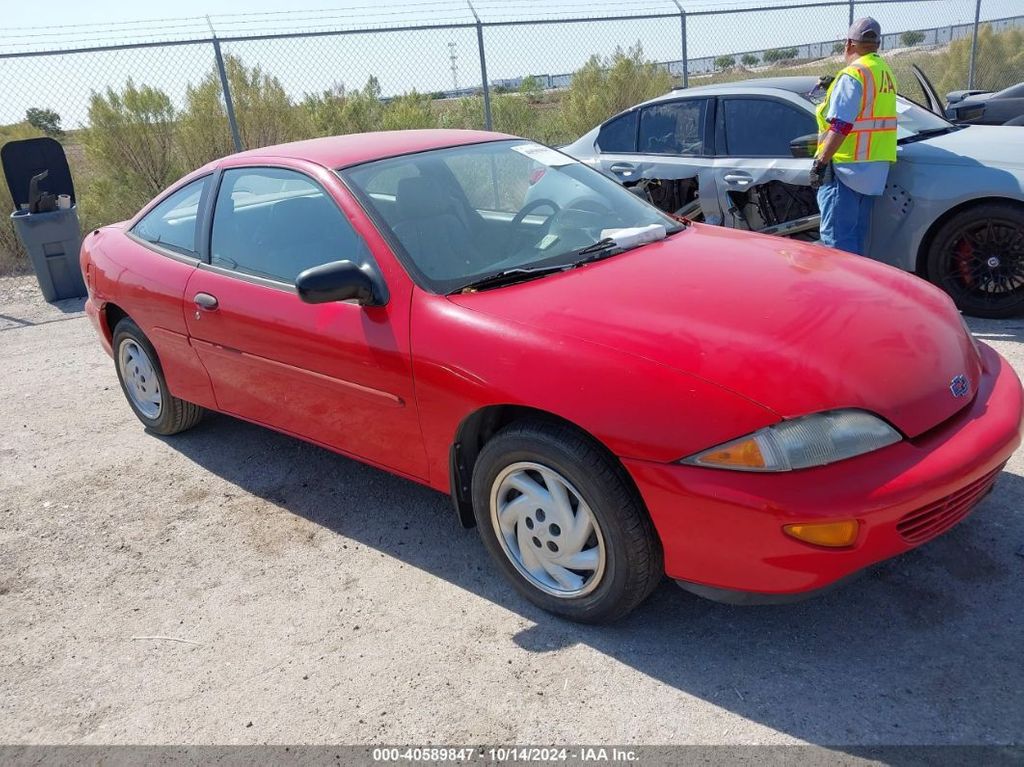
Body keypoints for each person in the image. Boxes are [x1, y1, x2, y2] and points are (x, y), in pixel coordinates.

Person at [810, 17, 898, 256]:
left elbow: (840, 125)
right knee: (855, 241)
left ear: (849, 44)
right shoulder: (883, 72)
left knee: (837, 244)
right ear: (877, 44)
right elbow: (866, 111)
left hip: (846, 169)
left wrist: (821, 162)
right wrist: (835, 90)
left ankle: (841, 293)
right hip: (873, 171)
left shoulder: (853, 75)